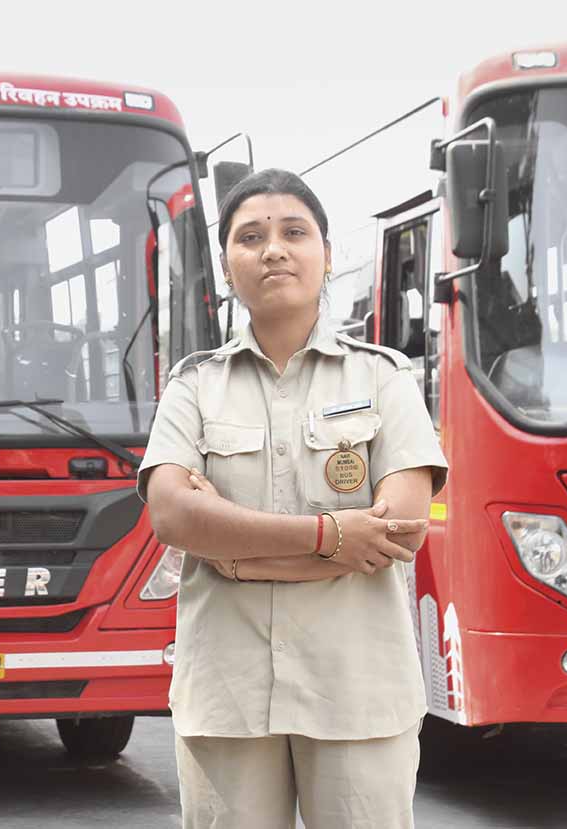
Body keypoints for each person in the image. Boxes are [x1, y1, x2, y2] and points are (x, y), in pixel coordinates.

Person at [138, 169, 448, 828]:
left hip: (357, 693)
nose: (272, 249)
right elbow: (172, 514)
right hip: (228, 696)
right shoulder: (193, 387)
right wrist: (332, 536)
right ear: (228, 267)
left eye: (293, 232)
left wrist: (236, 554)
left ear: (327, 255)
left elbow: (401, 527)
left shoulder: (384, 378)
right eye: (249, 236)